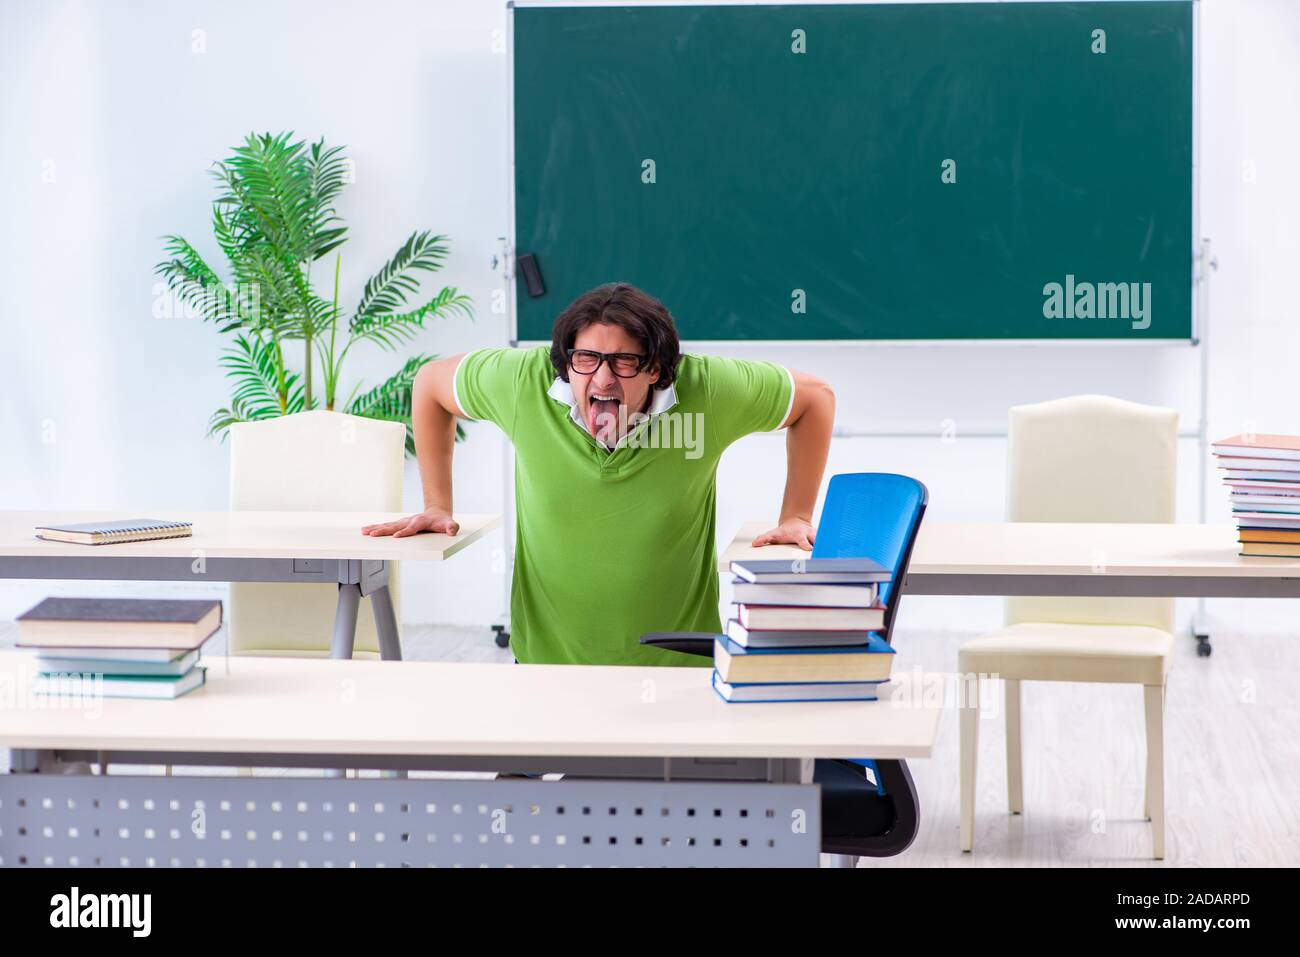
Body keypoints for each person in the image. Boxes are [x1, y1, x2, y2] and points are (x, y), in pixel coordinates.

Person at [362, 282, 835, 665]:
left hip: (677, 670)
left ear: (656, 369)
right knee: (518, 783)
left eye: (625, 362)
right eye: (585, 359)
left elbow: (815, 399)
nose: (602, 379)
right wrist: (437, 504)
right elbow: (430, 384)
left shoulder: (706, 391)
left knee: (686, 783)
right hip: (547, 669)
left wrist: (796, 513)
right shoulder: (524, 382)